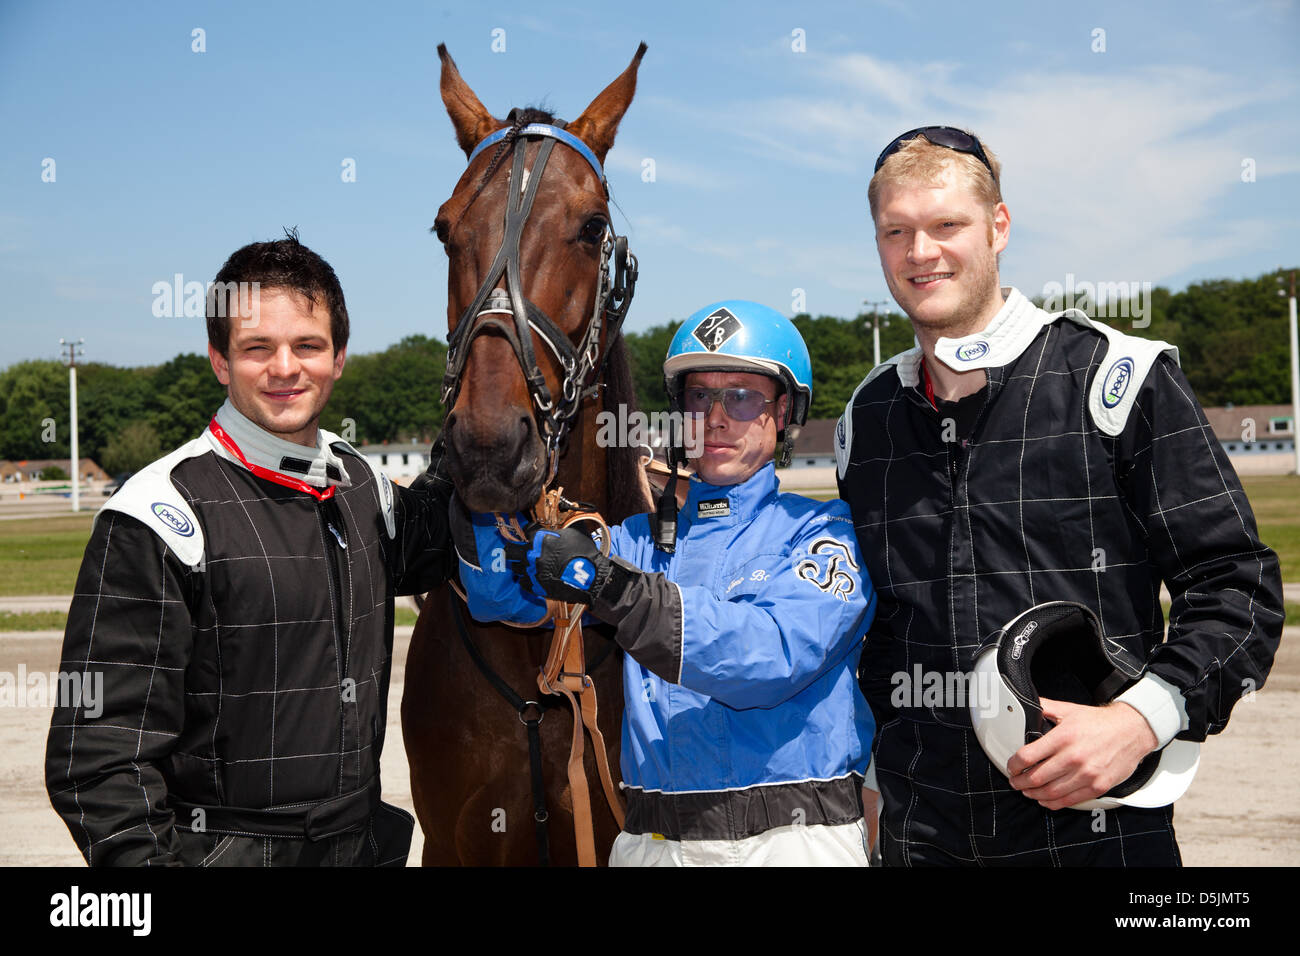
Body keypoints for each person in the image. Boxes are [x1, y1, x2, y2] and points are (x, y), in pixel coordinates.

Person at [836, 126, 1285, 865]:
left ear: (998, 226)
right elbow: (878, 635)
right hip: (921, 841)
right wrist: (877, 785)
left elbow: (1238, 587)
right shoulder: (868, 416)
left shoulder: (1118, 376)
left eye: (947, 225)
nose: (921, 252)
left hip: (1097, 834)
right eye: (897, 231)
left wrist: (1140, 719)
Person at [45, 232, 454, 866]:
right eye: (257, 347)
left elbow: (453, 528)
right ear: (219, 360)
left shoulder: (362, 485)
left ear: (339, 357)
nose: (285, 368)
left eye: (308, 346)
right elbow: (96, 761)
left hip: (361, 846)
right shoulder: (157, 513)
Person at [457, 300, 877, 866]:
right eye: (699, 396)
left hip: (790, 840)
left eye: (742, 395)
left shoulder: (824, 533)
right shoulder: (630, 542)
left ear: (784, 411)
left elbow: (769, 658)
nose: (717, 416)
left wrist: (615, 590)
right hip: (651, 842)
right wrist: (482, 485)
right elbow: (498, 599)